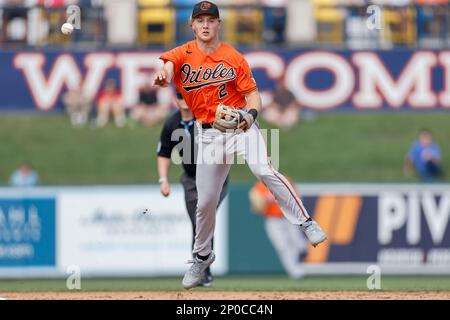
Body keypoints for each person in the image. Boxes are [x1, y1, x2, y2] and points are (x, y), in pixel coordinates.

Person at [152, 1, 326, 290]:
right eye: (200, 20)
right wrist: (164, 74)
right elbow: (166, 66)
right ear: (192, 25)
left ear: (219, 24)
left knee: (263, 170)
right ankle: (201, 257)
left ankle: (305, 222)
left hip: (240, 126)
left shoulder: (234, 57)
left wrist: (251, 115)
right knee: (205, 201)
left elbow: (254, 96)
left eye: (211, 19)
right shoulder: (182, 54)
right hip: (207, 134)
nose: (205, 25)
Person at [157, 91, 229, 287]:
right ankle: (203, 270)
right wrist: (163, 179)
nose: (184, 101)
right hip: (191, 180)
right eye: (180, 96)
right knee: (199, 224)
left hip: (215, 177)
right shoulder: (173, 123)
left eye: (187, 96)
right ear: (176, 100)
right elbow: (164, 152)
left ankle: (202, 270)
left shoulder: (205, 116)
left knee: (204, 217)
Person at [249, 179, 308, 279]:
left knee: (298, 243)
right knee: (282, 246)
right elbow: (256, 209)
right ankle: (295, 271)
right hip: (273, 220)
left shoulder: (284, 180)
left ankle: (302, 251)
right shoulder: (258, 188)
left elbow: (298, 196)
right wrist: (258, 206)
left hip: (288, 217)